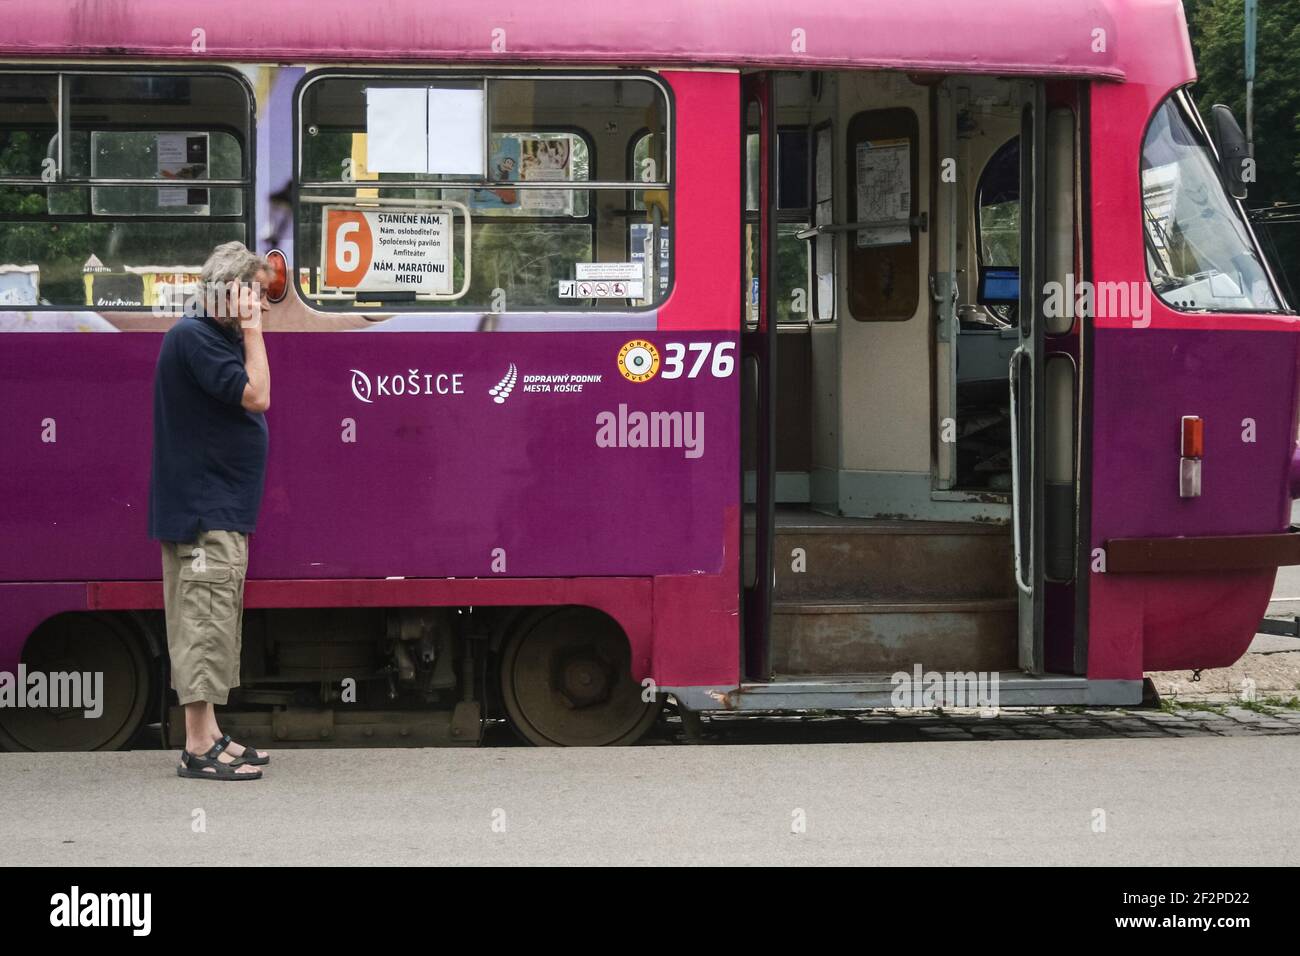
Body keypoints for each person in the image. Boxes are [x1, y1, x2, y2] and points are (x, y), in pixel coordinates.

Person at [149, 241, 272, 780]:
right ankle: (198, 747)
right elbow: (257, 395)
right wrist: (252, 331)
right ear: (231, 292)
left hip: (216, 507)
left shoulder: (203, 335)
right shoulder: (196, 338)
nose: (261, 307)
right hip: (204, 511)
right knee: (203, 620)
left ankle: (212, 733)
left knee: (214, 619)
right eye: (255, 295)